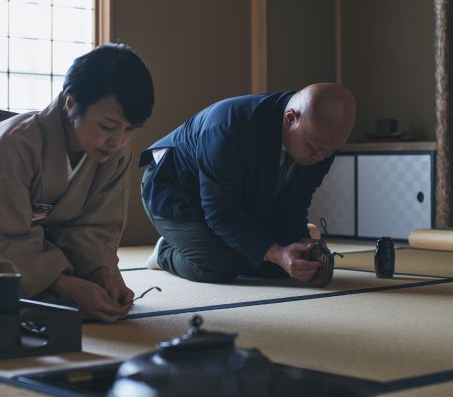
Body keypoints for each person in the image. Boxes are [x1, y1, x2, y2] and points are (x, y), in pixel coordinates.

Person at [0, 43, 155, 323]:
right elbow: (6, 236)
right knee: (2, 305)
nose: (117, 141)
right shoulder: (15, 142)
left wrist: (102, 273)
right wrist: (68, 285)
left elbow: (97, 228)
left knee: (88, 294)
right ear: (71, 103)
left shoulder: (117, 153)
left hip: (39, 237)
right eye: (107, 126)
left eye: (129, 129)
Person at [139, 83, 356, 284]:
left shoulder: (322, 144)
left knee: (285, 266)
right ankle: (165, 251)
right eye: (314, 147)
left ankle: (212, 246)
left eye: (331, 151)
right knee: (220, 266)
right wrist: (274, 252)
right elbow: (221, 212)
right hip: (175, 189)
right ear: (290, 119)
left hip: (230, 198)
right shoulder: (229, 126)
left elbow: (294, 202)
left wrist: (300, 245)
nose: (321, 157)